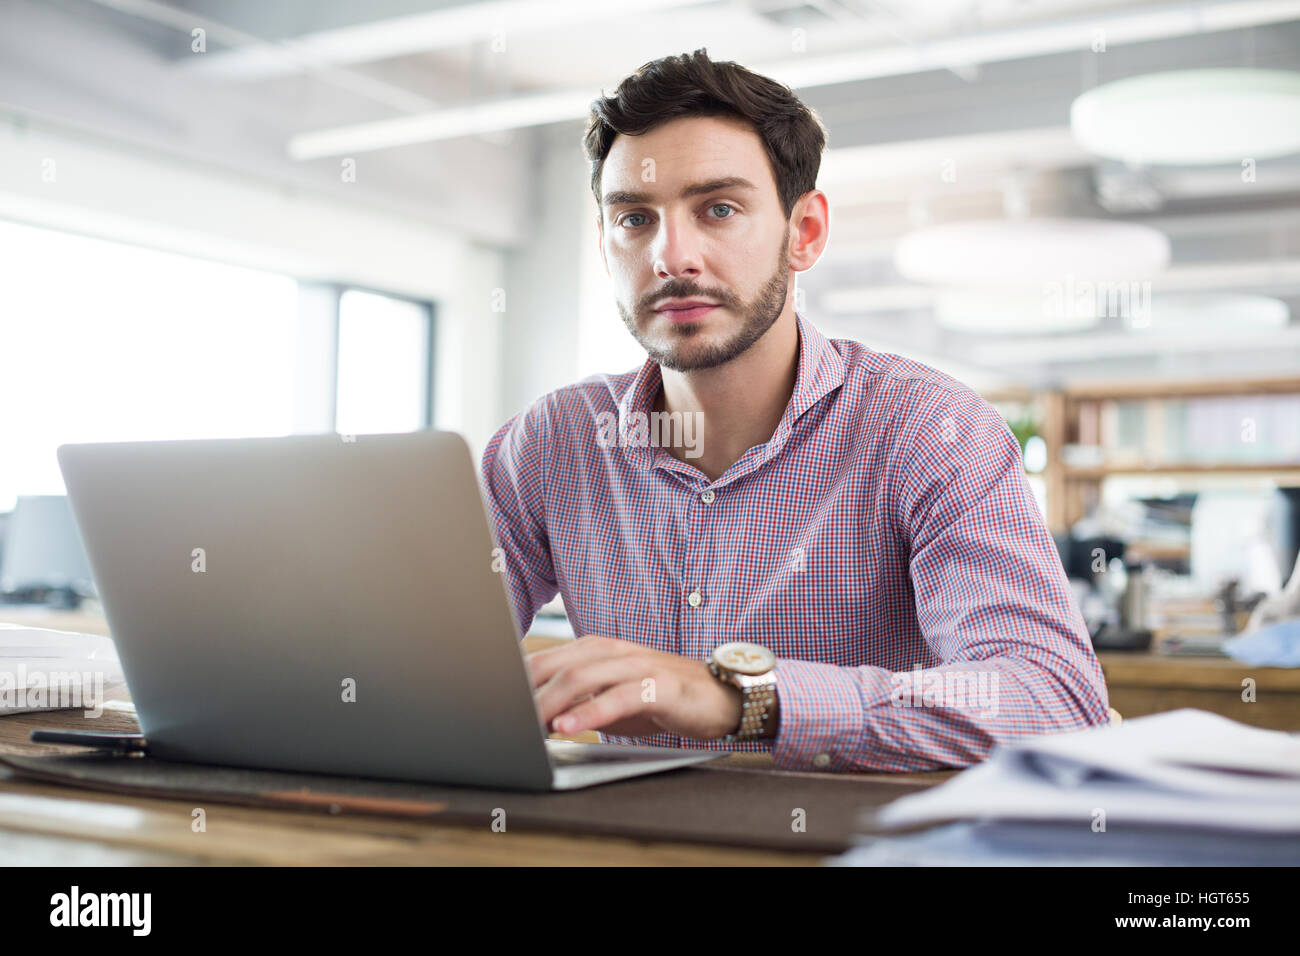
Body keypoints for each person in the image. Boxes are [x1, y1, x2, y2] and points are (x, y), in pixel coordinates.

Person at [480, 48, 1111, 772]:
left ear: (803, 233)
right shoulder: (551, 443)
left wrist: (742, 698)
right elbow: (425, 653)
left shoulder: (933, 430)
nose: (671, 256)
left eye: (718, 209)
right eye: (634, 218)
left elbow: (1054, 701)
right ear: (605, 242)